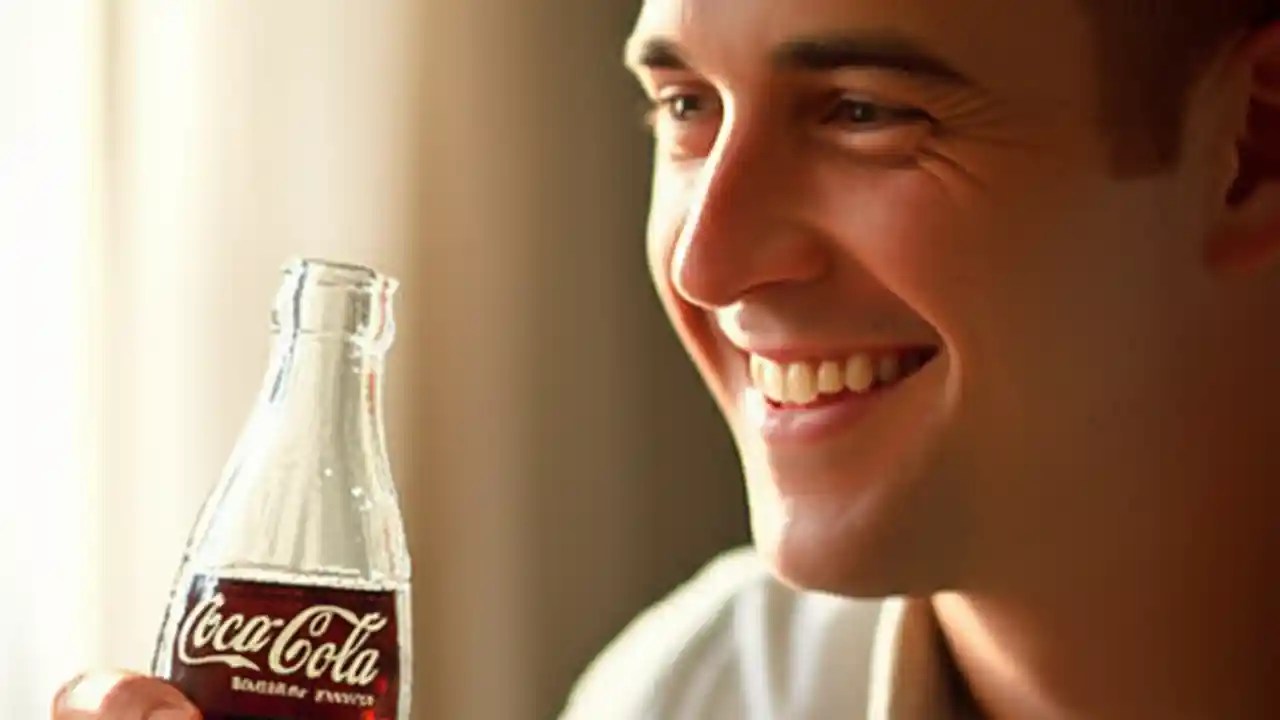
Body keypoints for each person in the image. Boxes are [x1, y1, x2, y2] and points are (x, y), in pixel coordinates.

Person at [53, 0, 1280, 718]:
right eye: (685, 108)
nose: (706, 262)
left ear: (1253, 144)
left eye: (863, 110)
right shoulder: (692, 692)